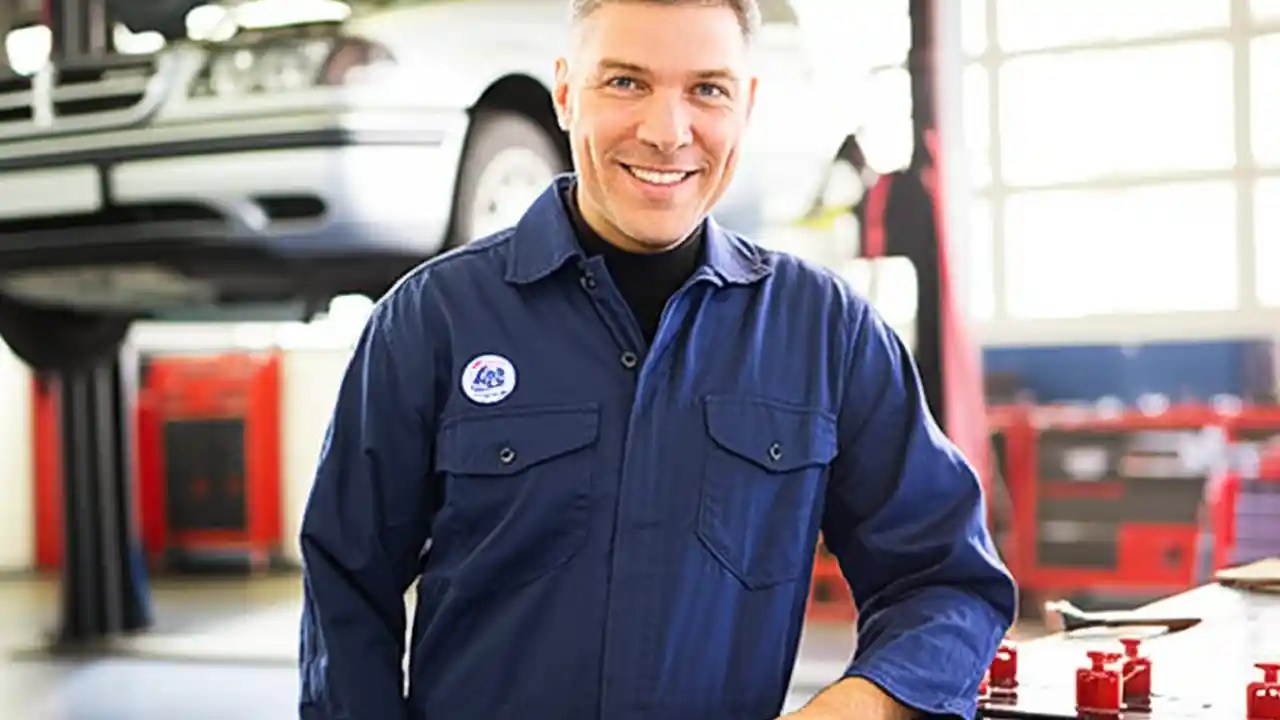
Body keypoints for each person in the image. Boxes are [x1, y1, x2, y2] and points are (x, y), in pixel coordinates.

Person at [297, 1, 1017, 718]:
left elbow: (946, 579)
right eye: (626, 83)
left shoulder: (828, 334)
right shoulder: (429, 322)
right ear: (565, 93)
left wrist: (861, 706)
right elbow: (346, 592)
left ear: (747, 104)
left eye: (707, 89)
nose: (667, 132)